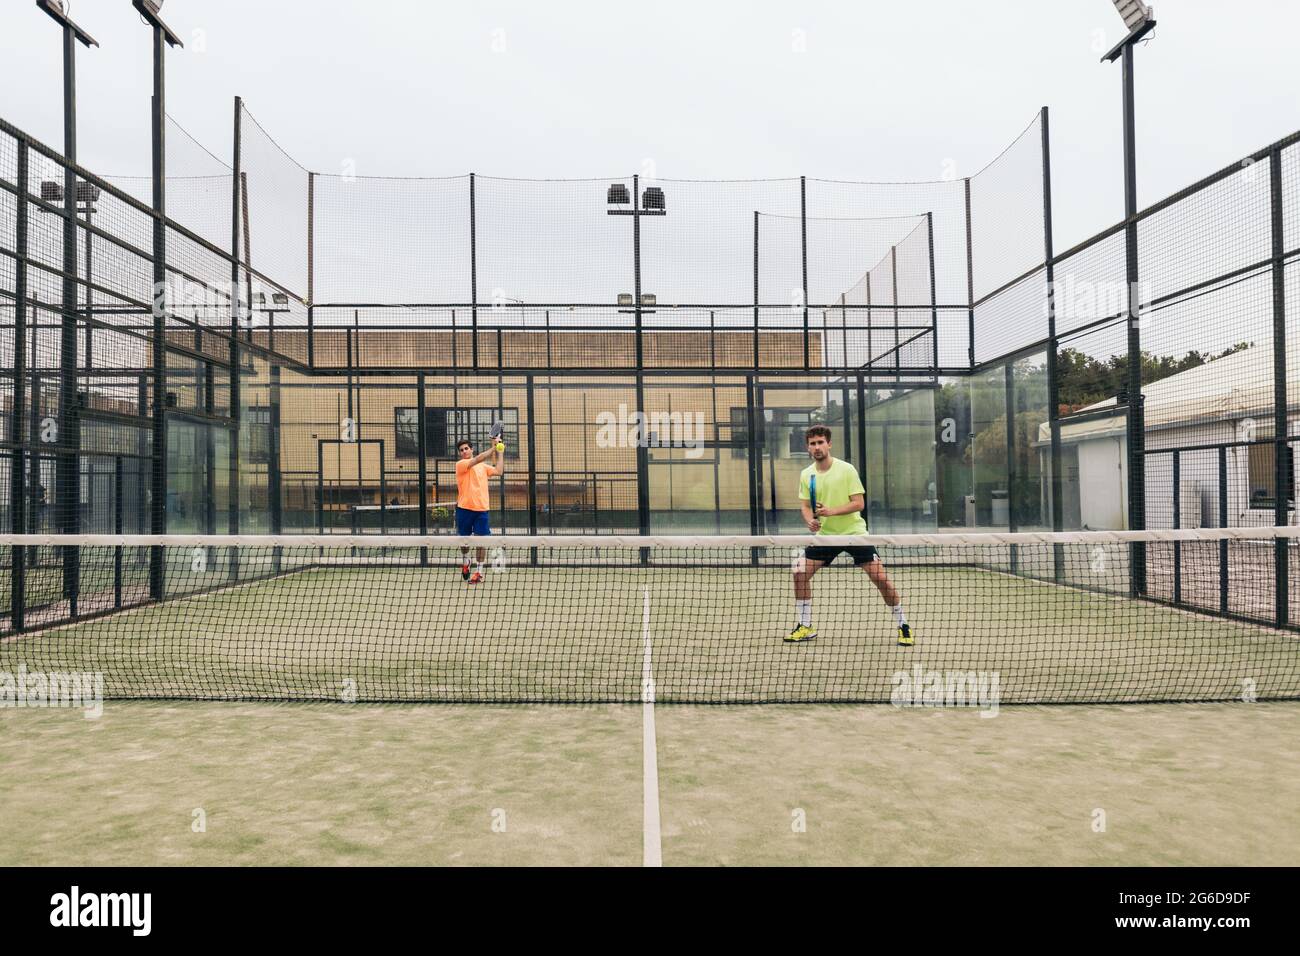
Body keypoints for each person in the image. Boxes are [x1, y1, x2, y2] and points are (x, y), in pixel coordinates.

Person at [786, 424, 912, 646]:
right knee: (799, 572)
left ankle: (903, 625)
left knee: (881, 579)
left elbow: (859, 503)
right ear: (808, 447)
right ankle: (805, 625)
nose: (817, 447)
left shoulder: (847, 470)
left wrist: (830, 511)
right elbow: (805, 506)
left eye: (820, 442)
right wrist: (810, 521)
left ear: (829, 444)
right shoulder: (807, 474)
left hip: (854, 534)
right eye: (812, 443)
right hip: (825, 536)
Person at [454, 436, 504, 584]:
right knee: (464, 542)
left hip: (482, 510)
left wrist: (500, 451)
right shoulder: (461, 464)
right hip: (464, 509)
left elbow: (499, 471)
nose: (464, 451)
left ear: (471, 449)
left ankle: (479, 573)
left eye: (466, 448)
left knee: (481, 541)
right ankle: (466, 561)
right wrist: (494, 447)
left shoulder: (483, 467)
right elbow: (479, 459)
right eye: (461, 450)